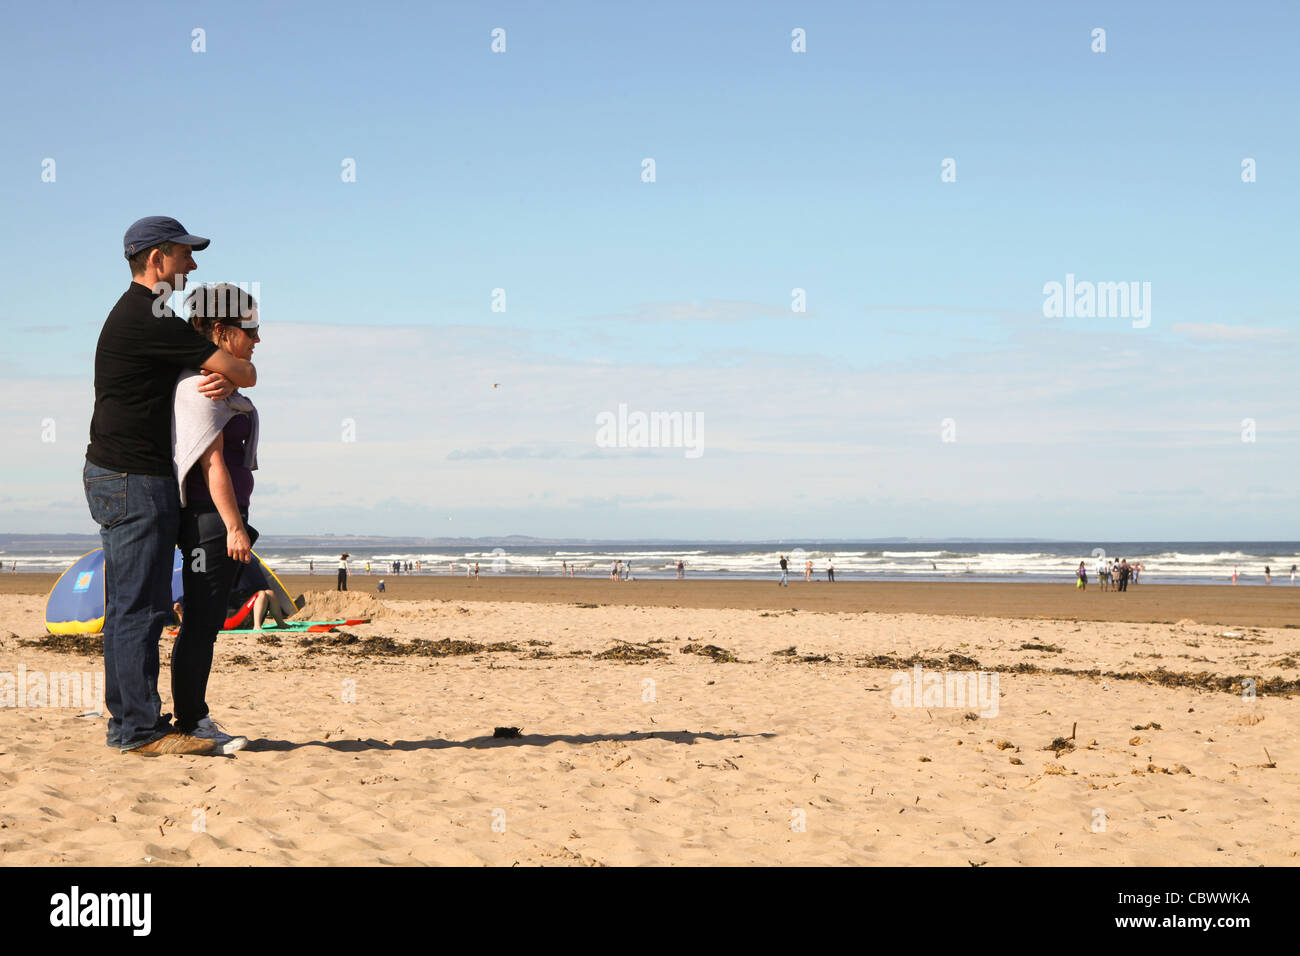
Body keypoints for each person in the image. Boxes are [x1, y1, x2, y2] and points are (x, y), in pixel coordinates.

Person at [84, 218, 256, 757]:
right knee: (140, 610)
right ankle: (139, 731)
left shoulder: (142, 316)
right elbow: (242, 369)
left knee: (129, 608)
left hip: (120, 474)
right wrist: (229, 374)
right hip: (133, 477)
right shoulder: (150, 315)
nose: (193, 266)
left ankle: (129, 726)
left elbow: (229, 368)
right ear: (157, 258)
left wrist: (227, 372)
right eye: (185, 255)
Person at [170, 283, 268, 755]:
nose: (257, 339)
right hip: (211, 519)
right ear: (223, 332)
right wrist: (232, 526)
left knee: (205, 622)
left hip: (220, 518)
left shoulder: (216, 379)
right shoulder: (201, 387)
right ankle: (191, 721)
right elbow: (211, 466)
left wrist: (233, 377)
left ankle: (192, 716)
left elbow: (248, 374)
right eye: (250, 330)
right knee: (202, 623)